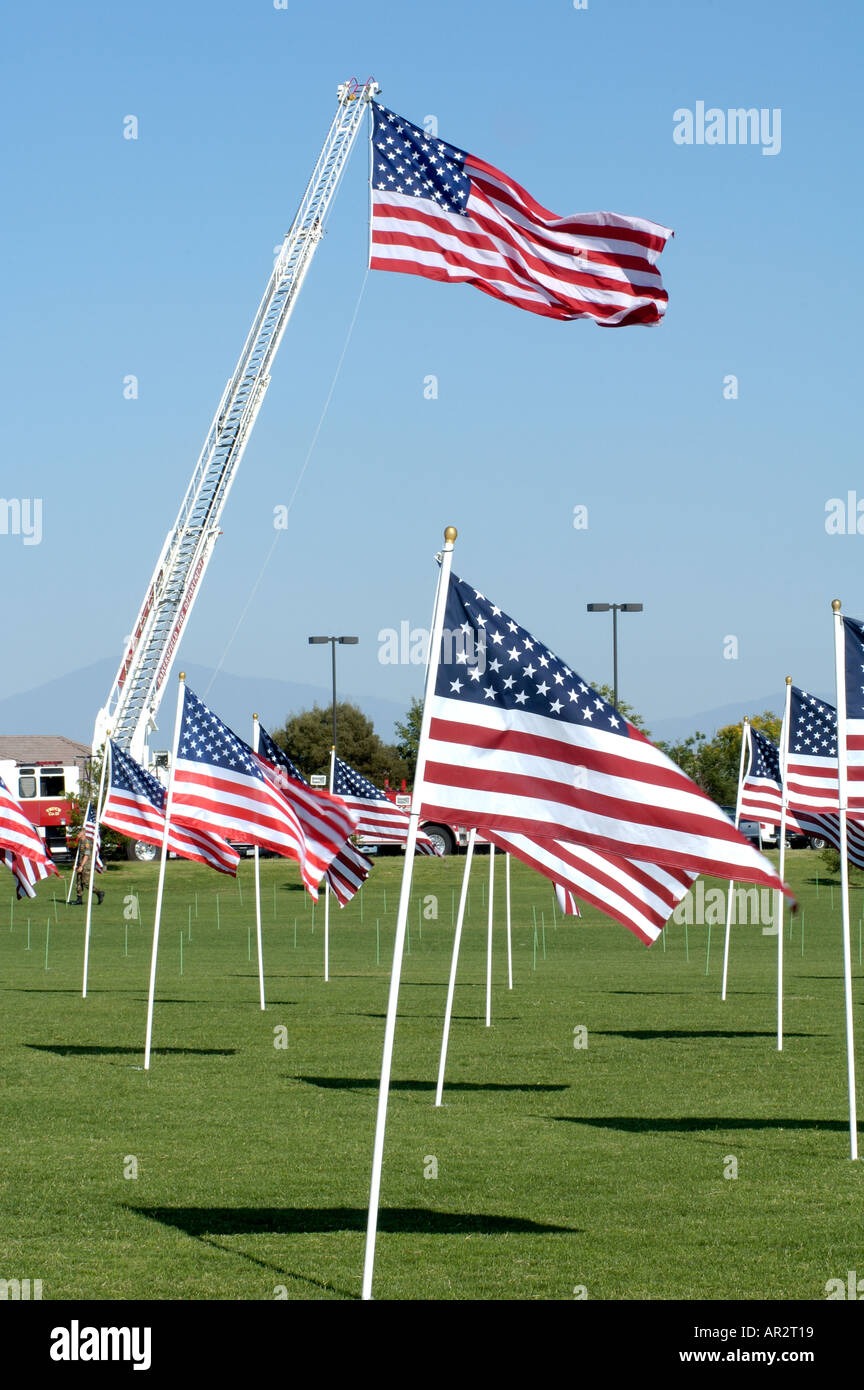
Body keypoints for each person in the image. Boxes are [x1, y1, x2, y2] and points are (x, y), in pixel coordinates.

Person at [73, 825, 104, 907]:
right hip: (81, 865)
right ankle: (79, 899)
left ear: (83, 833)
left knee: (86, 882)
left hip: (86, 866)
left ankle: (99, 893)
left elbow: (86, 855)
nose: (77, 834)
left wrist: (81, 866)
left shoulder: (86, 843)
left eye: (79, 833)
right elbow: (80, 855)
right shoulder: (81, 842)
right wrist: (76, 865)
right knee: (78, 882)